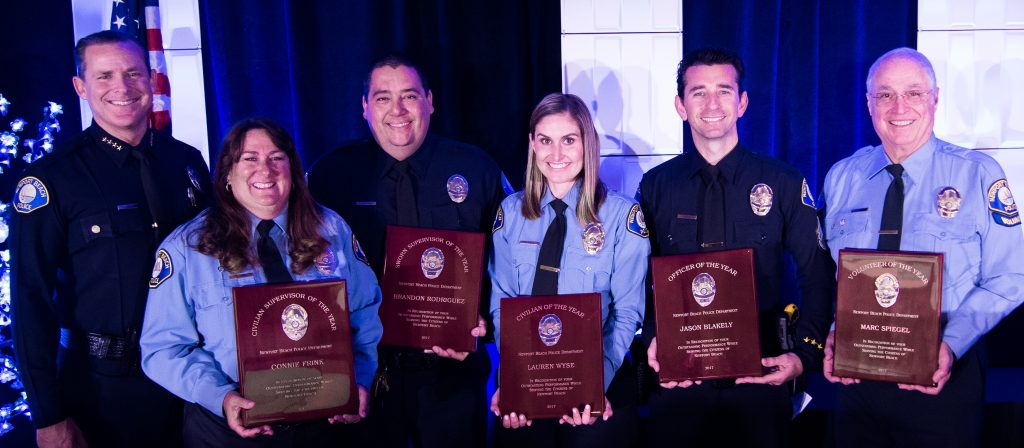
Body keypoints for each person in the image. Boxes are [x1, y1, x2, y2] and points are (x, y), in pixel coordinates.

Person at [10, 30, 210, 447]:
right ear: (81, 87)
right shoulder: (52, 180)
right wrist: (49, 415)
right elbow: (31, 300)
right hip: (106, 387)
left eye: (133, 72)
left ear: (152, 80)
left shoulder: (186, 162)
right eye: (104, 76)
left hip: (195, 379)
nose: (122, 87)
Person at [821, 47, 1024, 448]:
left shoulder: (979, 174)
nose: (899, 107)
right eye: (884, 95)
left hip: (944, 377)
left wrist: (950, 345)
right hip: (858, 384)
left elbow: (1010, 277)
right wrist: (835, 332)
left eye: (913, 93)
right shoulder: (842, 177)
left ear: (935, 98)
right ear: (868, 103)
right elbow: (838, 274)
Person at [140, 119, 382, 447]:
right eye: (249, 158)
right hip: (227, 430)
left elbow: (365, 312)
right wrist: (220, 396)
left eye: (276, 158)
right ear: (227, 174)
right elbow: (162, 349)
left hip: (322, 428)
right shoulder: (186, 248)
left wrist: (360, 380)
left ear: (293, 171)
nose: (265, 171)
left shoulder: (331, 230)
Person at [636, 48, 835, 447]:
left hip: (759, 375)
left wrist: (802, 355)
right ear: (680, 105)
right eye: (698, 92)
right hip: (680, 378)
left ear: (742, 102)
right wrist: (652, 339)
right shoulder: (655, 187)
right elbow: (635, 280)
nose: (712, 104)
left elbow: (818, 274)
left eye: (724, 91)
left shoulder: (781, 182)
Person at [307, 55, 508, 447]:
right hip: (366, 374)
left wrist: (487, 321)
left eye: (409, 96)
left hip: (453, 373)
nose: (397, 110)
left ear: (430, 101)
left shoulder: (477, 168)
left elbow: (509, 262)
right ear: (364, 107)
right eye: (383, 98)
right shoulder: (332, 175)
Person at [488, 93, 650, 447]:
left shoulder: (622, 217)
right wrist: (514, 381)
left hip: (599, 387)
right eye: (545, 140)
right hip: (526, 386)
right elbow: (502, 303)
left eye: (569, 140)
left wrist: (594, 384)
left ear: (587, 144)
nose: (556, 154)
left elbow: (626, 314)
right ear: (532, 144)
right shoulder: (510, 214)